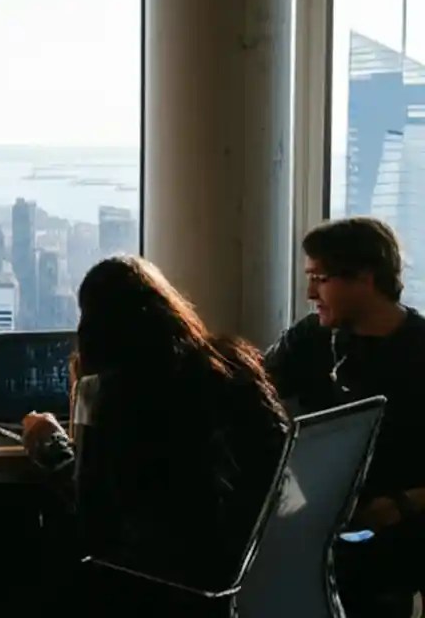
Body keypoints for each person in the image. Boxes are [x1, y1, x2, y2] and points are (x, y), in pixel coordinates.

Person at [23, 256, 289, 617]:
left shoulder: (108, 394)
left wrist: (51, 444)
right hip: (258, 568)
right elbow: (283, 469)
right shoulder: (234, 363)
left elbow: (93, 519)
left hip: (158, 586)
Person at [265, 217, 425, 617]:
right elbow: (253, 393)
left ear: (366, 278)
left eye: (320, 278)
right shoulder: (311, 339)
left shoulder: (420, 351)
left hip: (402, 536)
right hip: (320, 532)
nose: (309, 292)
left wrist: (401, 505)